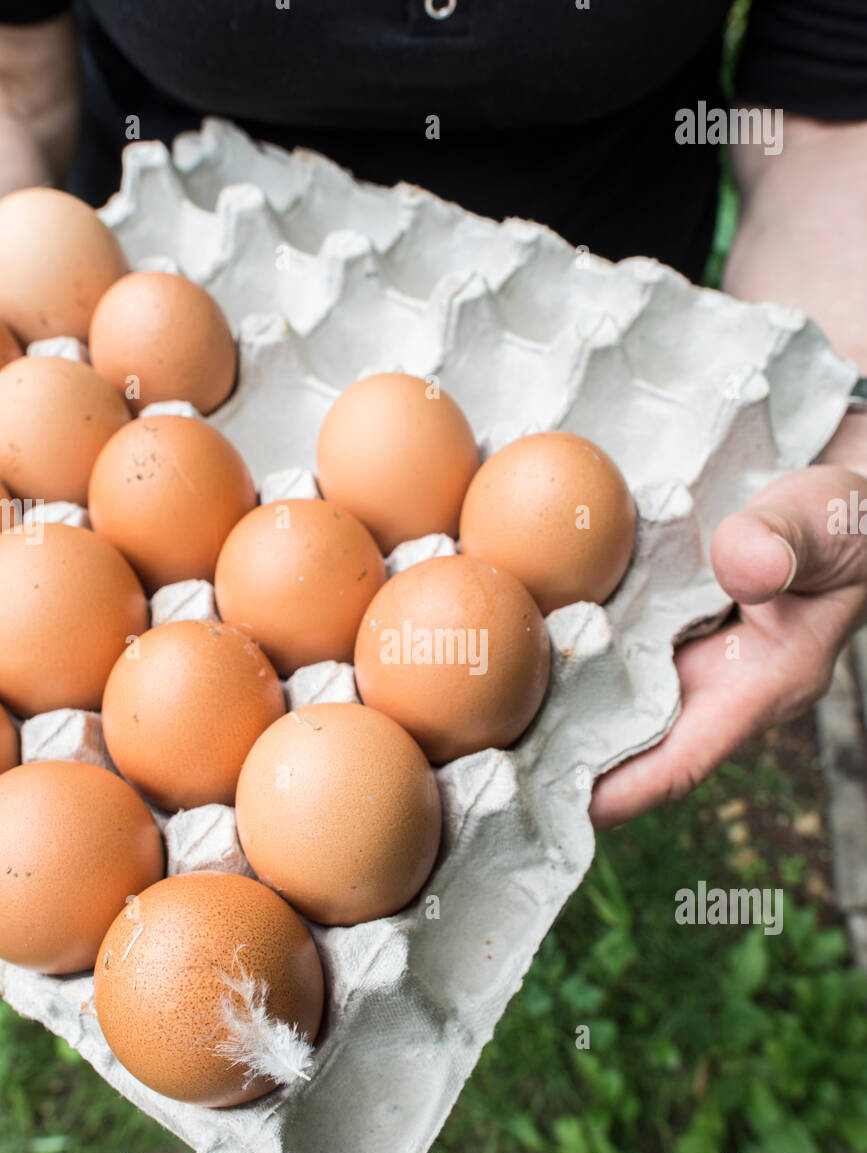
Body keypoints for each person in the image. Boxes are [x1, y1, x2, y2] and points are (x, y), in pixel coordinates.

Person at [1, 0, 865, 828]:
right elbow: (16, 78)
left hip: (599, 336)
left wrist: (846, 413)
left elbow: (830, 117)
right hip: (169, 269)